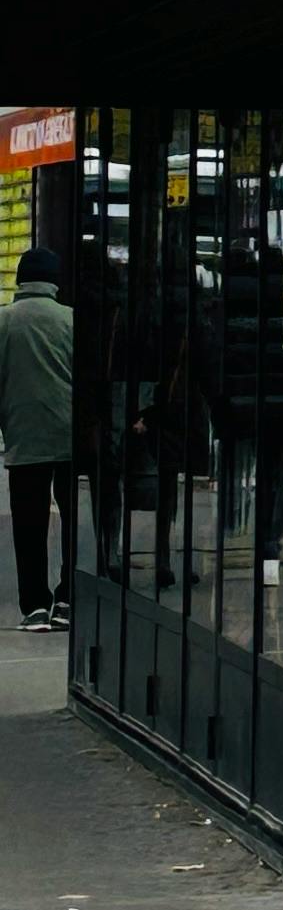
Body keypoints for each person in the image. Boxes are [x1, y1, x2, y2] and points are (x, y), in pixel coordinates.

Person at [0, 246, 73, 632]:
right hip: (69, 436)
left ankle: (35, 607)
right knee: (72, 521)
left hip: (24, 438)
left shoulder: (4, 321)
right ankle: (67, 598)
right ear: (54, 281)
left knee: (29, 524)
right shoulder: (72, 320)